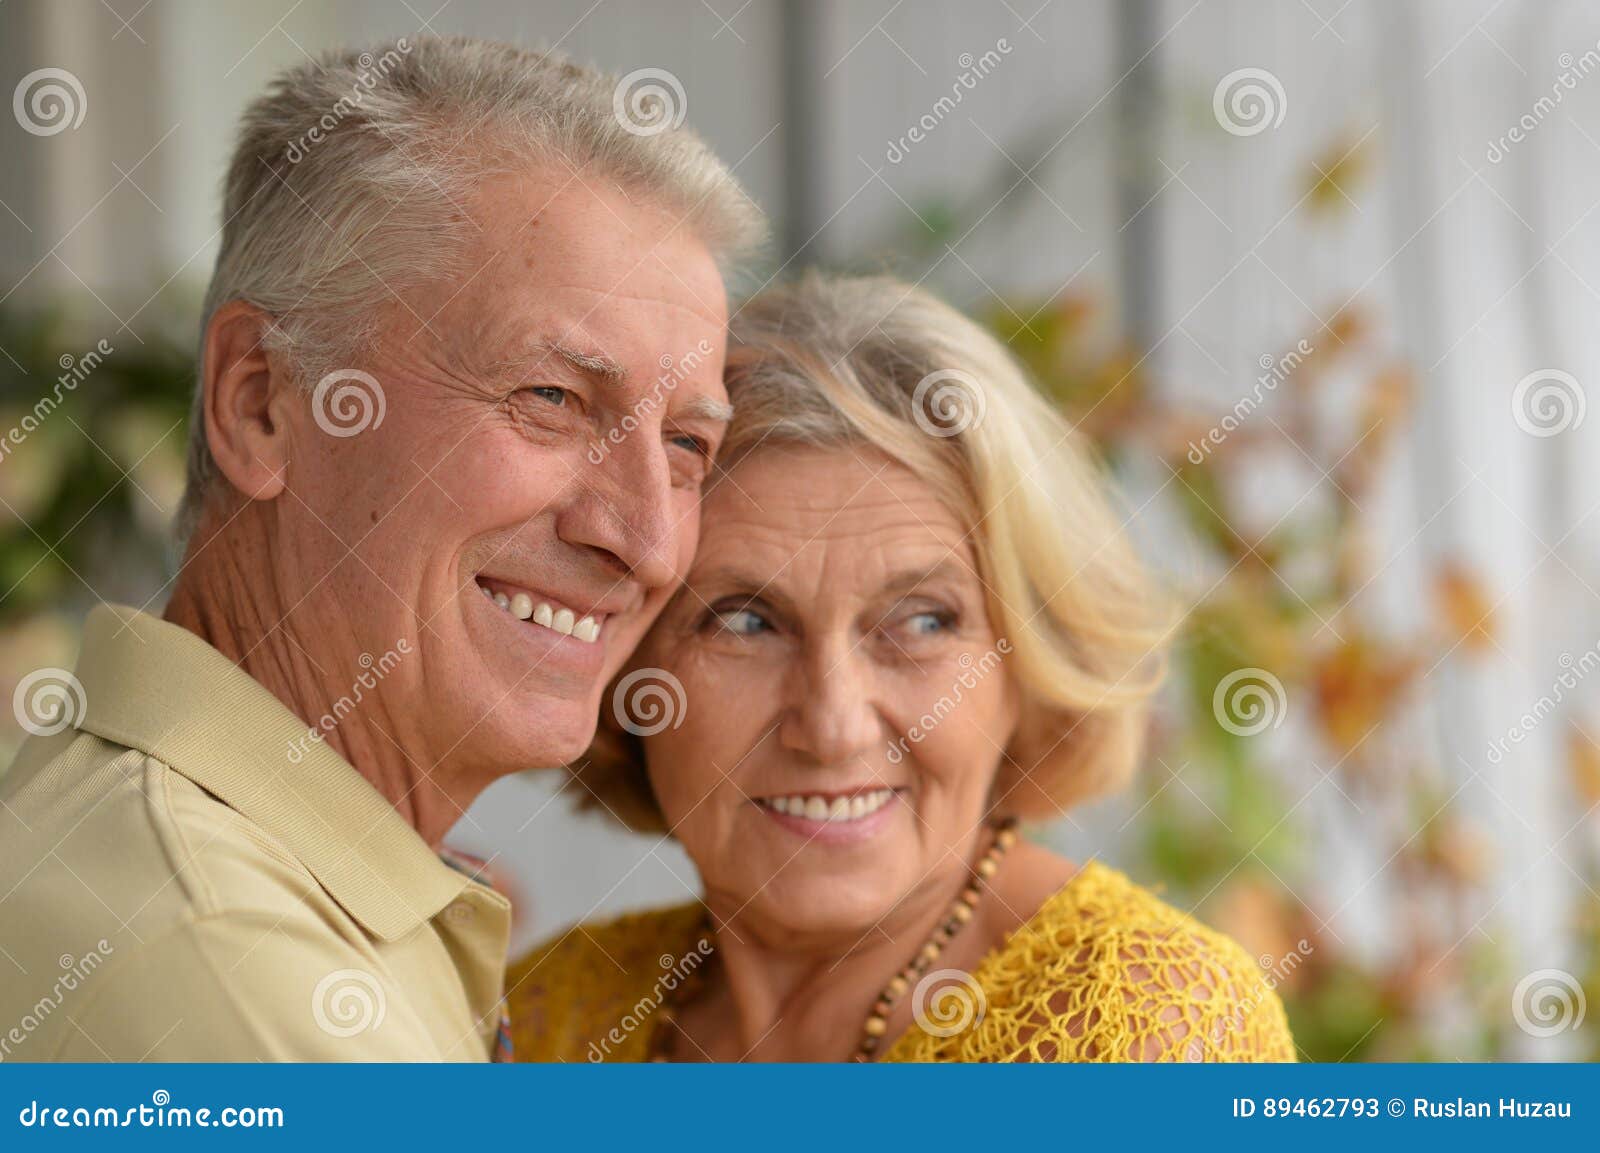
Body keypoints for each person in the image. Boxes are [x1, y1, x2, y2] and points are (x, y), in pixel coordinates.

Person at [0, 35, 762, 1061]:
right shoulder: (233, 968)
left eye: (685, 445)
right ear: (262, 403)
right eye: (551, 398)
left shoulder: (228, 882)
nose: (646, 539)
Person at [507, 273, 1297, 1062]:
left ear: (1030, 663)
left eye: (922, 621)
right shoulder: (547, 1013)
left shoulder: (1152, 1031)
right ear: (628, 662)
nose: (833, 726)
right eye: (745, 622)